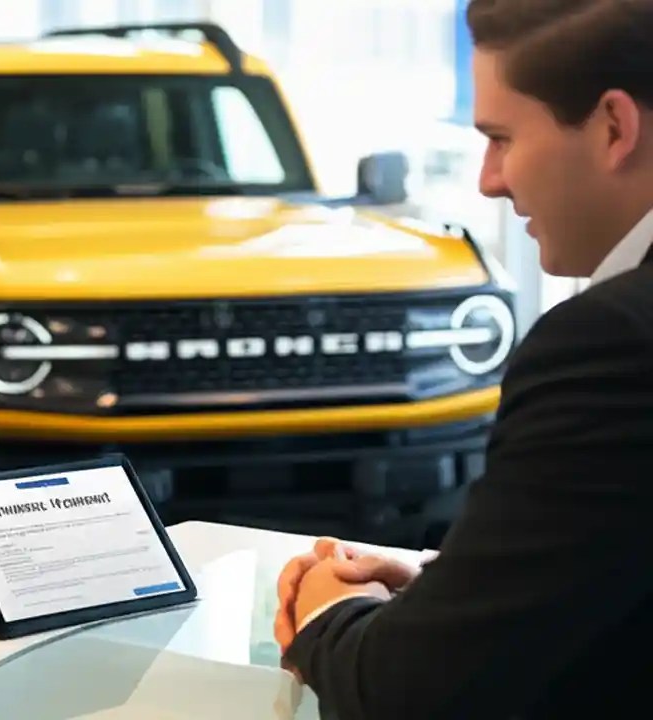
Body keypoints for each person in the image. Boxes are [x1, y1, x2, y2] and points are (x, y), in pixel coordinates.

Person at [272, 1, 653, 718]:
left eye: (502, 138)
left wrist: (328, 609)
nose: (489, 180)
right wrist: (454, 584)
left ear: (613, 127)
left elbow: (418, 693)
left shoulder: (611, 341)